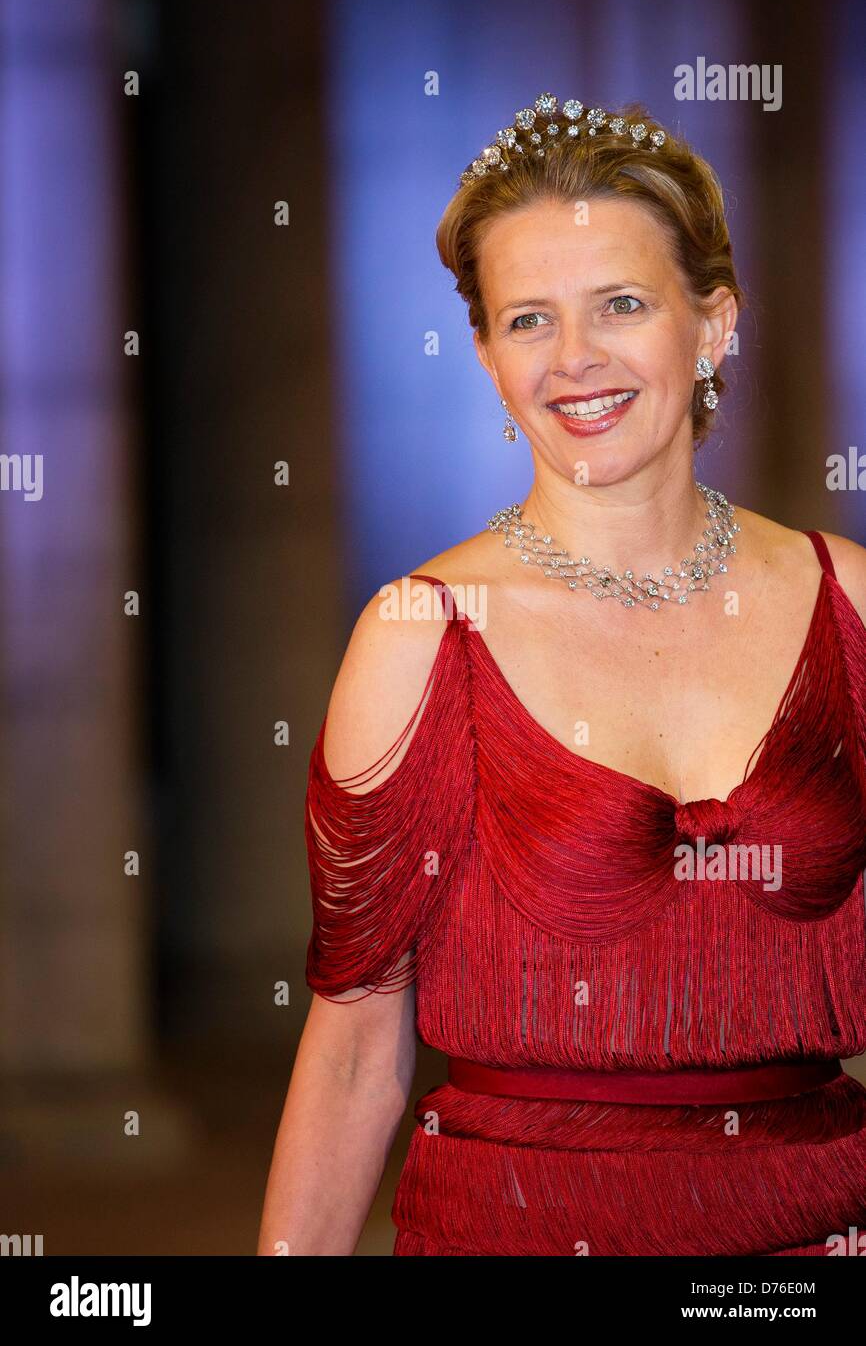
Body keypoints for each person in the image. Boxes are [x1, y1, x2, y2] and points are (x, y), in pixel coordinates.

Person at [258, 93, 866, 1256]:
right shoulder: (419, 637)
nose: (573, 360)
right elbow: (348, 1055)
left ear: (713, 324)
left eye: (621, 305)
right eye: (527, 319)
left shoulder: (843, 604)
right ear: (484, 353)